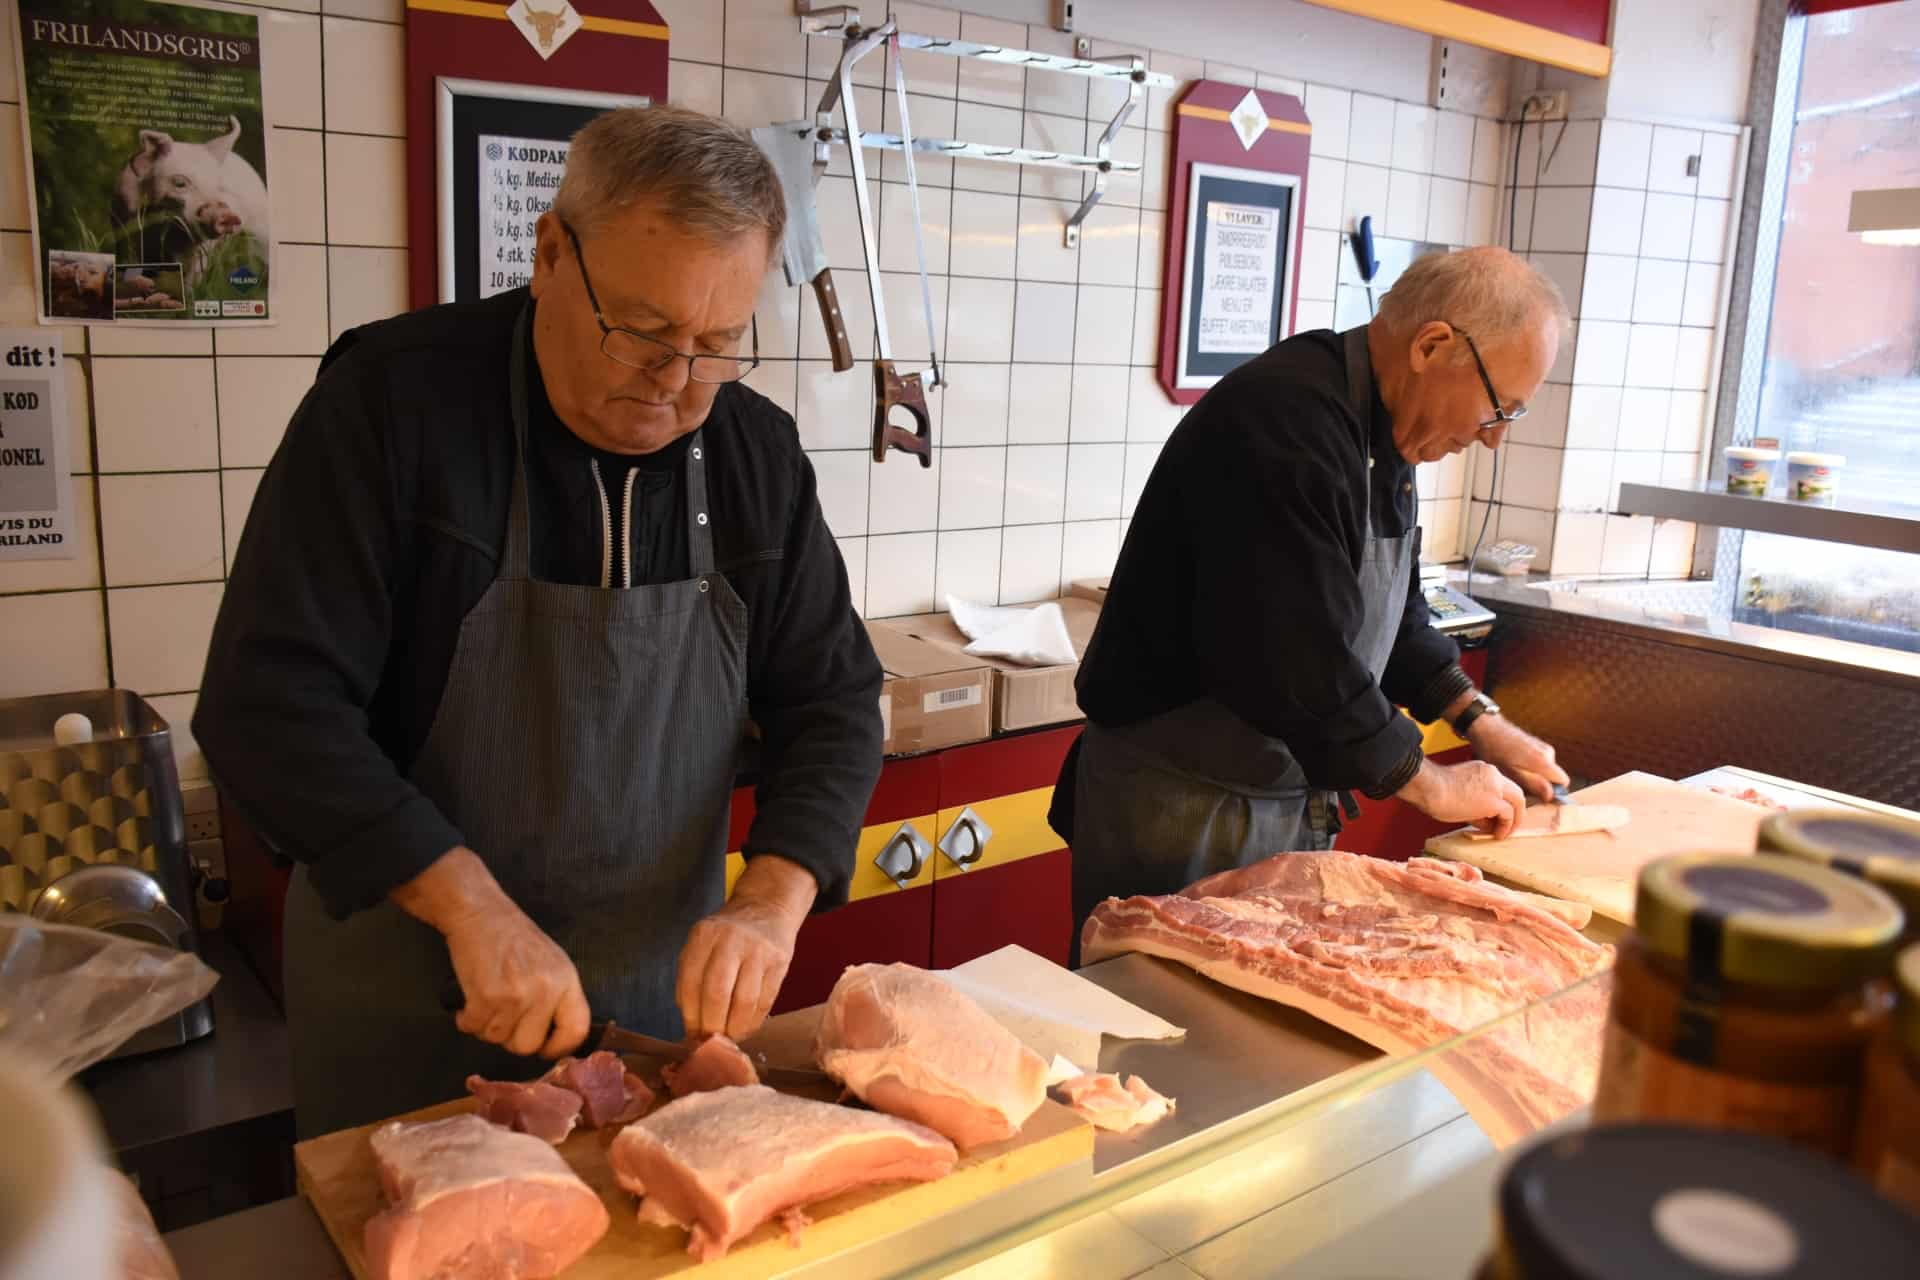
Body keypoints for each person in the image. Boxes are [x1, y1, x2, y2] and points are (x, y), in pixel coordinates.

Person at [194, 107, 883, 1135]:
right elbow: (267, 703)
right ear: (552, 251)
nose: (674, 383)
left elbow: (833, 698)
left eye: (715, 346)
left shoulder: (755, 455)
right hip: (408, 1009)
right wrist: (468, 904)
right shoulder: (392, 407)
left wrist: (771, 897)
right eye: (642, 332)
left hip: (652, 1017)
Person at [1054, 247, 1572, 955]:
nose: (1495, 437)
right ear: (1431, 346)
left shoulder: (1386, 431)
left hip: (1275, 797)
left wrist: (1477, 718)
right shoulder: (1286, 423)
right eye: (1498, 406)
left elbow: (1394, 618)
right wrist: (1430, 784)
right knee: (1158, 1014)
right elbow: (1297, 662)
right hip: (1184, 808)